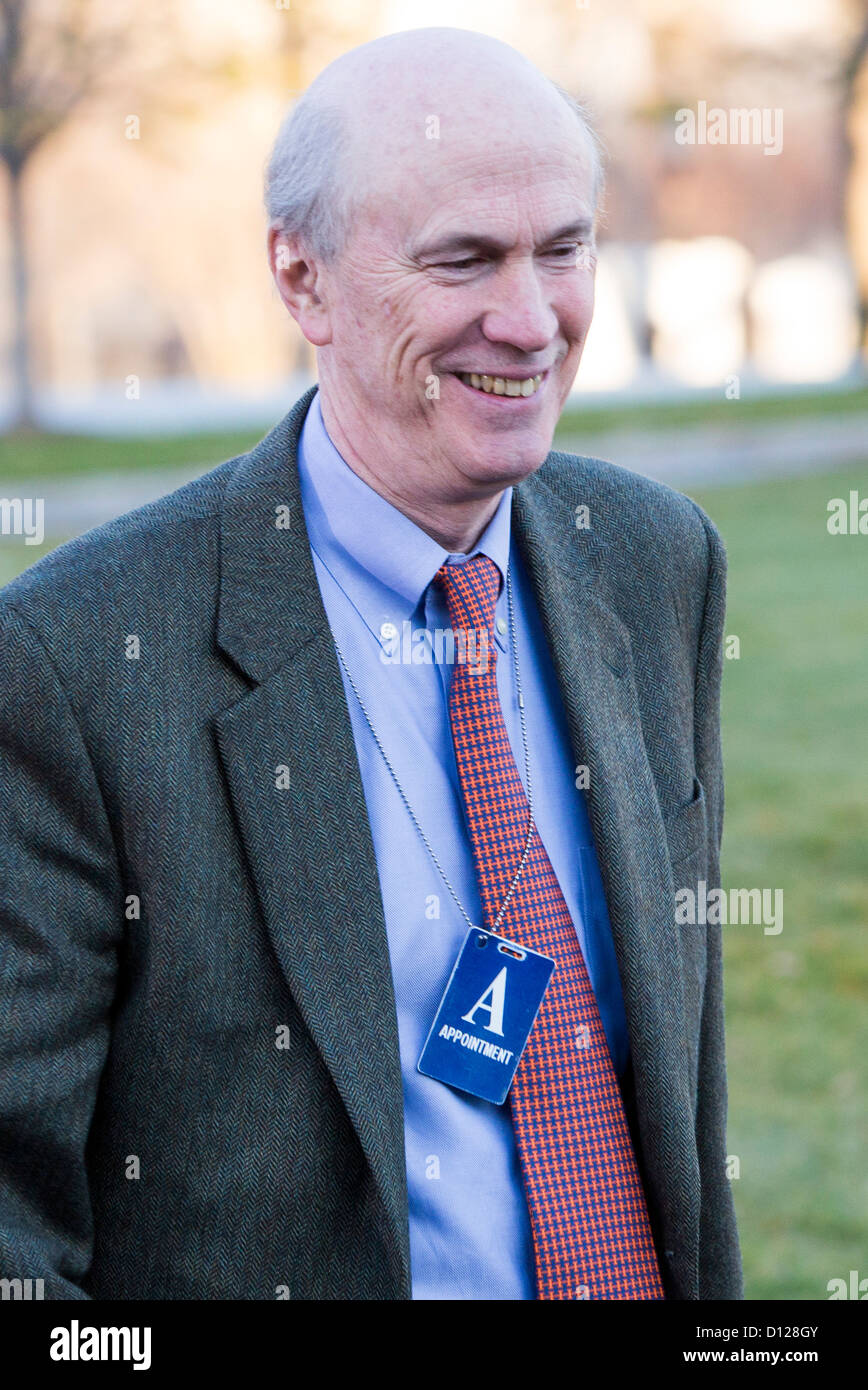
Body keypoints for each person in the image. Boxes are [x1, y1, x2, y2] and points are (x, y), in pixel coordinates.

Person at [0, 27, 741, 1300]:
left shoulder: (655, 563)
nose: (528, 320)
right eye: (462, 260)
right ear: (303, 280)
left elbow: (679, 1085)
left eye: (562, 250)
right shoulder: (77, 658)